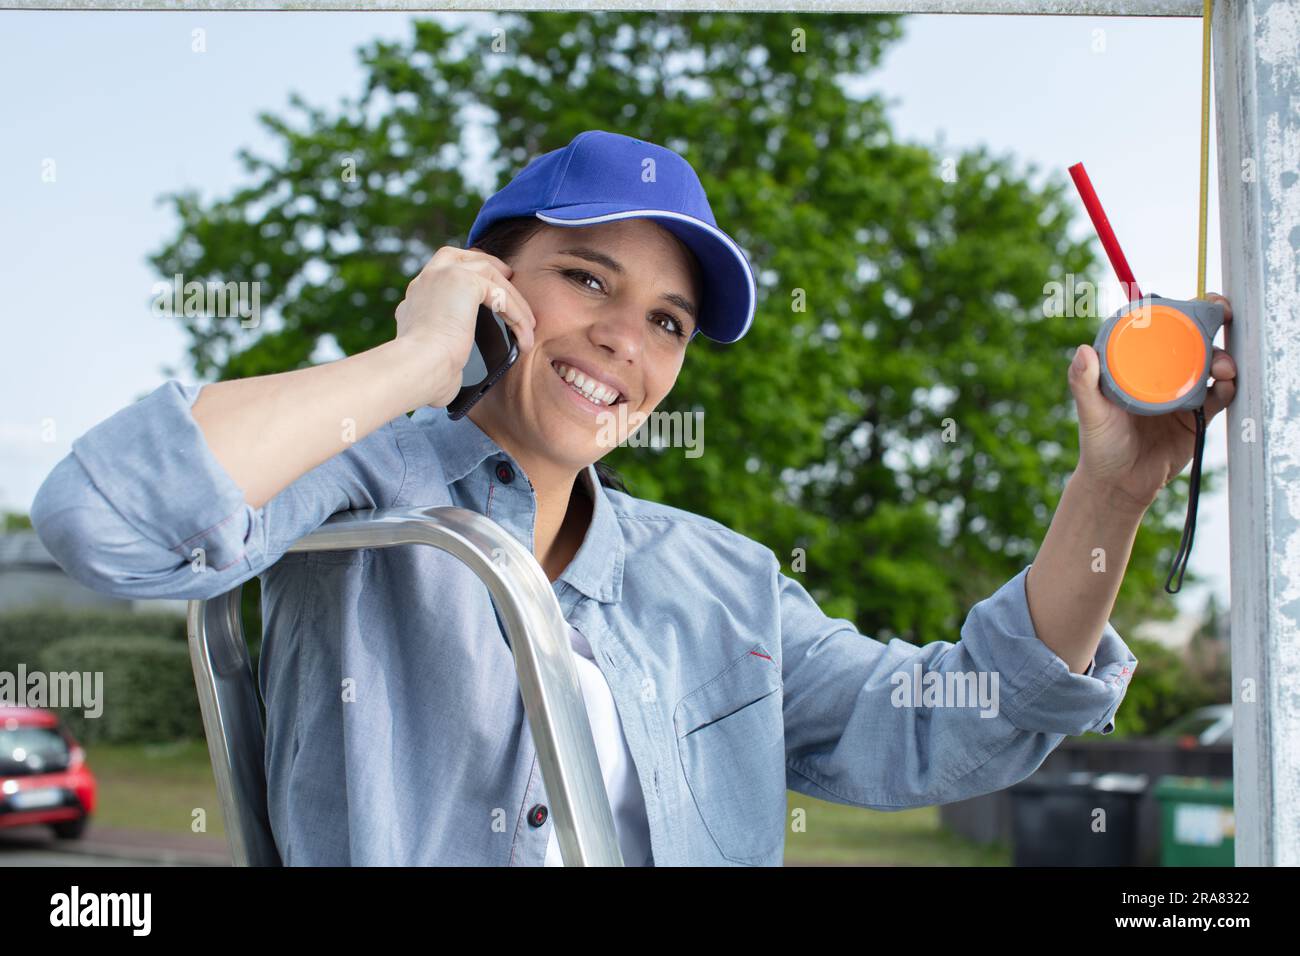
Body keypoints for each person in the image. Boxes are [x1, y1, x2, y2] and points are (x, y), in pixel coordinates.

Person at [29, 129, 1237, 866]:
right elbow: (105, 519)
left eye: (665, 321)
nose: (623, 339)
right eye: (585, 278)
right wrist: (415, 359)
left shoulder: (721, 581)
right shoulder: (351, 484)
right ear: (493, 279)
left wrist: (1110, 492)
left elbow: (953, 719)